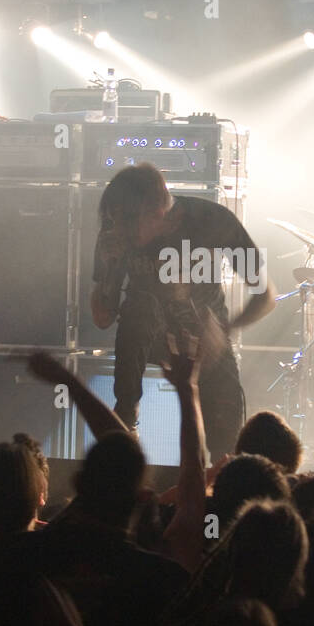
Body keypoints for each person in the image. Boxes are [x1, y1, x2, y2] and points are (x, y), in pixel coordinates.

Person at [89, 163, 275, 458]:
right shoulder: (115, 235)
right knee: (142, 307)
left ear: (156, 211)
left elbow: (266, 295)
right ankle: (126, 416)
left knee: (227, 446)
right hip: (147, 338)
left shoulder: (212, 221)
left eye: (126, 222)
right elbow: (102, 318)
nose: (119, 230)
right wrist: (111, 267)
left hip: (204, 341)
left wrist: (224, 331)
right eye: (113, 222)